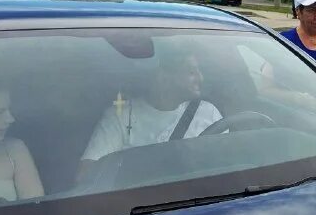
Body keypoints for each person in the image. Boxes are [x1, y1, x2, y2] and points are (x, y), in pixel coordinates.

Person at [80, 53, 222, 167]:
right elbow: (86, 173)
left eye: (199, 71)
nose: (200, 78)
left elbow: (225, 162)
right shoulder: (121, 116)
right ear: (164, 77)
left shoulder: (209, 113)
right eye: (191, 72)